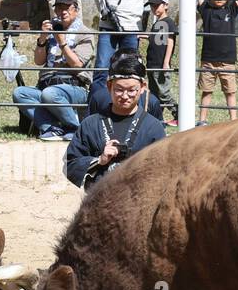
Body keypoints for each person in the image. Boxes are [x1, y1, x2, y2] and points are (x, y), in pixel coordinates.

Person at [64, 52, 165, 190]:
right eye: (119, 89)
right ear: (109, 86)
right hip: (98, 202)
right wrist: (99, 160)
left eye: (131, 90)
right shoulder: (90, 124)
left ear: (142, 87)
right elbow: (71, 164)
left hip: (139, 204)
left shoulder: (154, 128)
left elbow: (164, 171)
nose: (124, 96)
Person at [12, 0, 93, 141]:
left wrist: (62, 42)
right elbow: (38, 61)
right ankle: (51, 127)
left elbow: (77, 64)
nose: (63, 12)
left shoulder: (84, 33)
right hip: (46, 85)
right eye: (59, 8)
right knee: (20, 93)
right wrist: (43, 38)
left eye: (67, 8)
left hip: (73, 87)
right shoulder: (51, 32)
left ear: (75, 10)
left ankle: (75, 128)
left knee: (50, 94)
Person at [197, 0, 238, 124]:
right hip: (208, 60)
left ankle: (233, 120)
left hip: (227, 60)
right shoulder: (206, 9)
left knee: (230, 91)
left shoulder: (231, 10)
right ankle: (202, 120)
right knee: (207, 91)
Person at [140, 0, 176, 121]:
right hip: (152, 64)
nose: (154, 8)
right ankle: (156, 118)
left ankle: (179, 113)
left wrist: (166, 62)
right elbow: (154, 38)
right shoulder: (157, 23)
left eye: (157, 5)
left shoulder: (169, 22)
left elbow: (170, 41)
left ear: (166, 5)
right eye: (152, 6)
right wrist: (140, 35)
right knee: (155, 95)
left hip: (161, 64)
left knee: (164, 93)